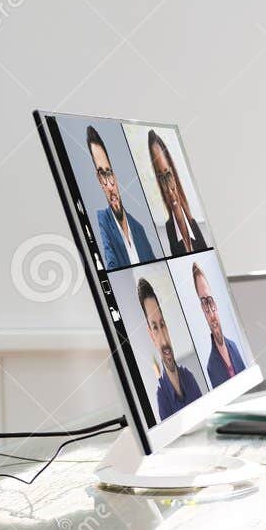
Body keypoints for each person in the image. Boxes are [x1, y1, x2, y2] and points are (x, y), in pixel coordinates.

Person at [86, 126, 156, 269]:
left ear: (115, 176)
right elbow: (110, 262)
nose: (110, 186)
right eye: (102, 176)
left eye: (109, 173)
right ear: (99, 181)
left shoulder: (139, 229)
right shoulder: (103, 220)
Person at [137, 276, 201, 418]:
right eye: (155, 327)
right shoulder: (162, 398)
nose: (164, 339)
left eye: (162, 324)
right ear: (151, 335)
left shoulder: (189, 377)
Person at [148, 129, 211, 255]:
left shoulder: (195, 223)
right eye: (161, 178)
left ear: (174, 174)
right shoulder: (169, 230)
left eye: (168, 175)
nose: (170, 192)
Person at [192, 262, 246, 386]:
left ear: (215, 304)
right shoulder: (211, 367)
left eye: (210, 301)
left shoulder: (234, 347)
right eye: (204, 303)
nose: (210, 312)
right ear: (202, 309)